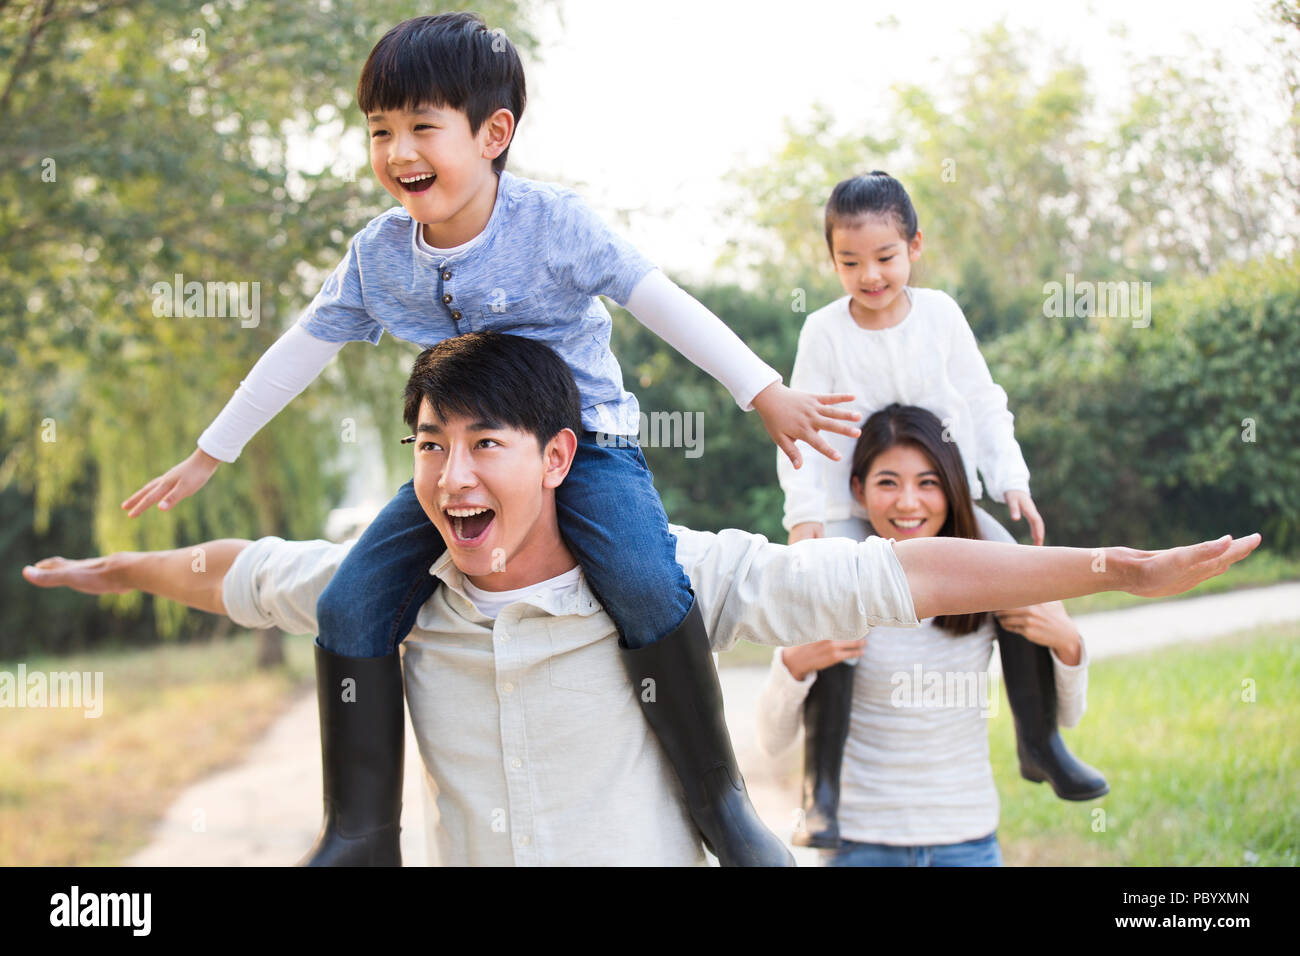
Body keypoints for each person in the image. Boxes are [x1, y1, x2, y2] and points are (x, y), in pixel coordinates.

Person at [26, 333, 1261, 866]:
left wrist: (1111, 567)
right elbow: (223, 567)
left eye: (484, 444)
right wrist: (108, 570)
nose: (452, 474)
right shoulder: (390, 587)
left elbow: (911, 570)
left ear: (560, 455)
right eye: (427, 446)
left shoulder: (678, 577)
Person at [114, 13, 862, 867]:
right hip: (473, 458)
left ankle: (722, 808)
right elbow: (302, 347)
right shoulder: (379, 257)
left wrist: (762, 389)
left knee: (649, 582)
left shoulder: (552, 224)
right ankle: (359, 834)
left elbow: (656, 297)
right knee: (350, 605)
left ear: (493, 133)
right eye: (380, 131)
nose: (398, 151)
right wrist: (215, 448)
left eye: (422, 127)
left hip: (585, 447)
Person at [777, 172, 1104, 847]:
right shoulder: (823, 331)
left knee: (1018, 575)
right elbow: (800, 425)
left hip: (943, 496)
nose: (869, 275)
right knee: (838, 603)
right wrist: (804, 516)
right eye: (850, 262)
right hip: (852, 503)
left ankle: (1039, 740)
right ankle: (823, 792)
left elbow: (983, 399)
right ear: (830, 260)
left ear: (915, 246)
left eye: (885, 257)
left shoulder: (941, 315)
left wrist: (1009, 476)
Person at [760, 403, 1101, 866]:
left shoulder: (984, 580)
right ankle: (820, 797)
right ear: (857, 490)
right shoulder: (837, 583)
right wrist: (794, 663)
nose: (907, 502)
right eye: (887, 483)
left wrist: (1068, 642)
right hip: (859, 845)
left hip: (966, 839)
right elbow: (771, 739)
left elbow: (1072, 715)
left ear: (951, 488)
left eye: (928, 483)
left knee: (1025, 584)